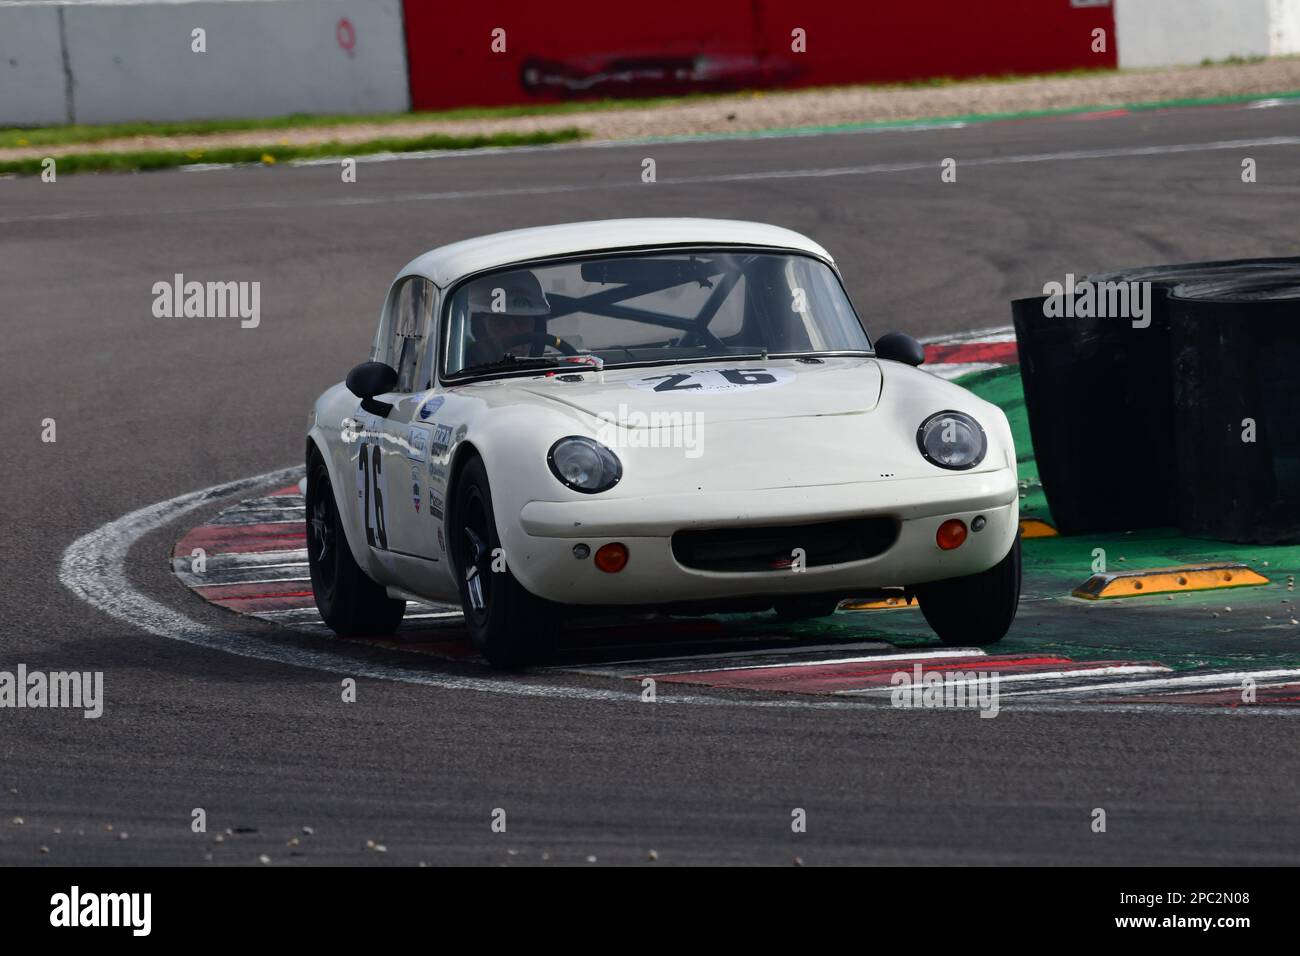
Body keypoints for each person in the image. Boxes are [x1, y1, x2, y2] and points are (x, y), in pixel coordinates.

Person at [463, 270, 551, 367]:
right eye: (501, 323)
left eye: (523, 323)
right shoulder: (461, 372)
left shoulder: (551, 375)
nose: (514, 333)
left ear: (537, 328)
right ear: (481, 330)